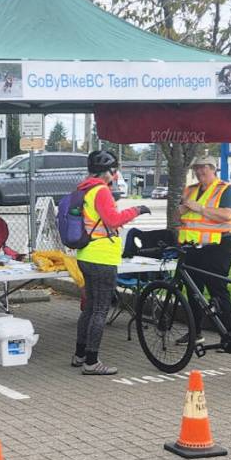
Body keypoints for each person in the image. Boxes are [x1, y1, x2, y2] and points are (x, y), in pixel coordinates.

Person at [71, 150, 151, 375]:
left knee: (89, 308)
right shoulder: (101, 191)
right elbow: (113, 219)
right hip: (102, 257)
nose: (115, 175)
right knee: (100, 309)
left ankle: (79, 355)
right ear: (109, 172)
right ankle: (91, 362)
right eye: (114, 171)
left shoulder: (84, 188)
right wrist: (137, 210)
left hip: (86, 254)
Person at [177, 155, 231, 345]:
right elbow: (180, 214)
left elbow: (227, 215)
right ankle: (195, 332)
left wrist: (200, 208)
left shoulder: (225, 189)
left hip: (217, 247)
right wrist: (181, 210)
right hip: (192, 247)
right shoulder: (190, 189)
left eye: (203, 168)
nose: (199, 172)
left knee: (217, 290)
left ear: (213, 169)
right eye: (196, 168)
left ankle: (230, 335)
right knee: (193, 291)